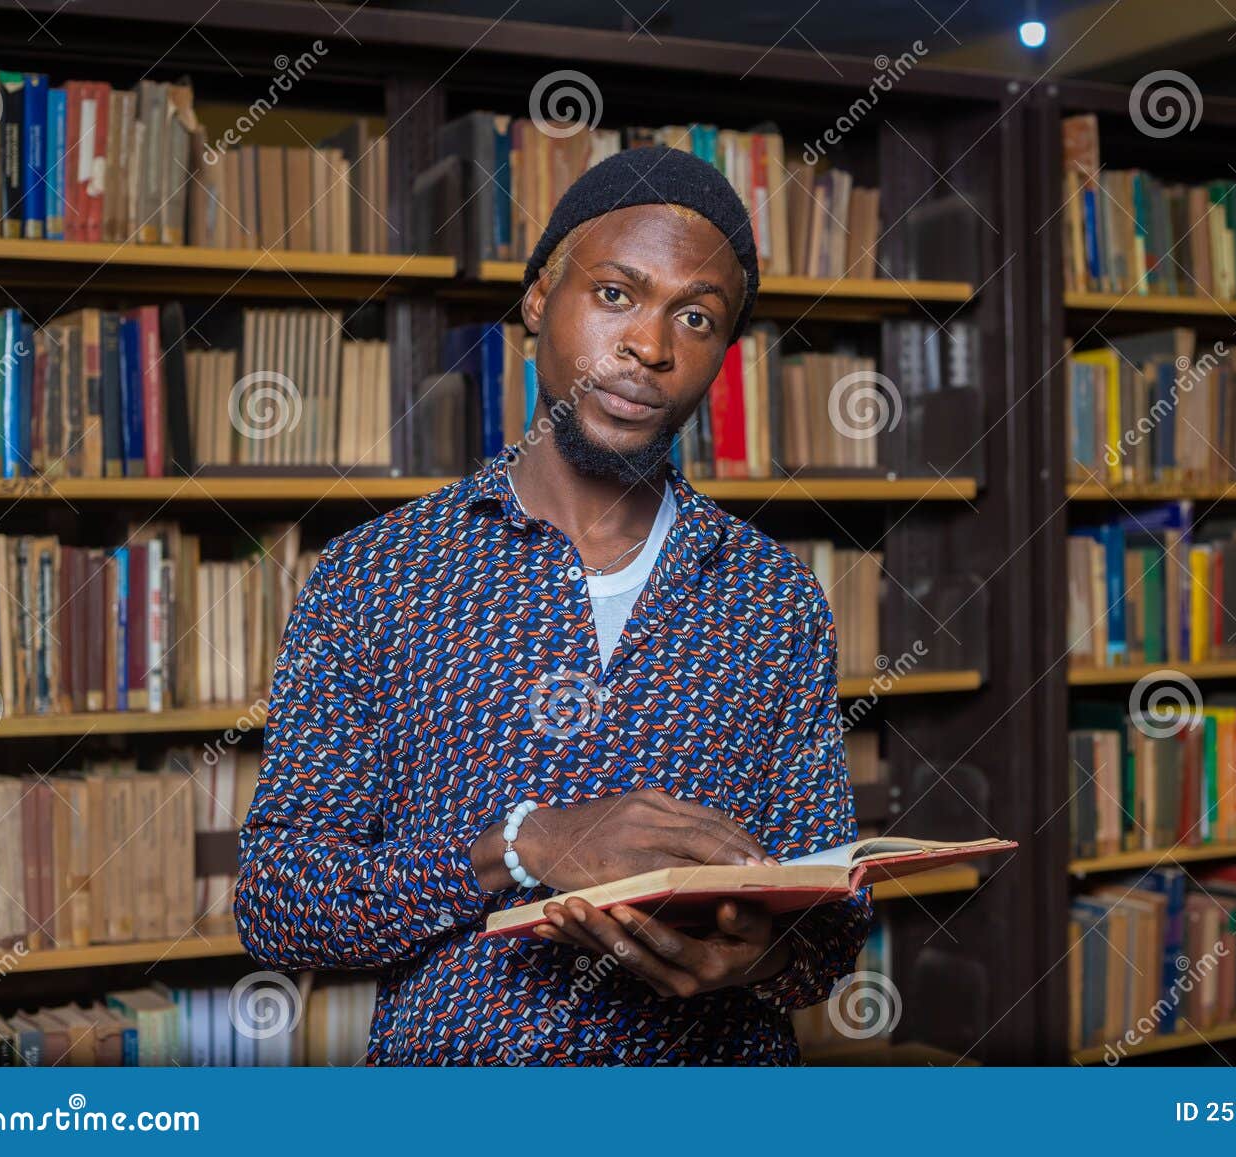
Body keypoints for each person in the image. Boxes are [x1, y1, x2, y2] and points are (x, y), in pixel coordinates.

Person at [235, 144, 871, 1064]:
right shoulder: (375, 577)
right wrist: (521, 847)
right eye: (615, 293)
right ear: (539, 298)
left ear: (722, 354)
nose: (650, 347)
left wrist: (762, 956)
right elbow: (280, 905)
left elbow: (832, 922)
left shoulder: (775, 598)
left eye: (694, 317)